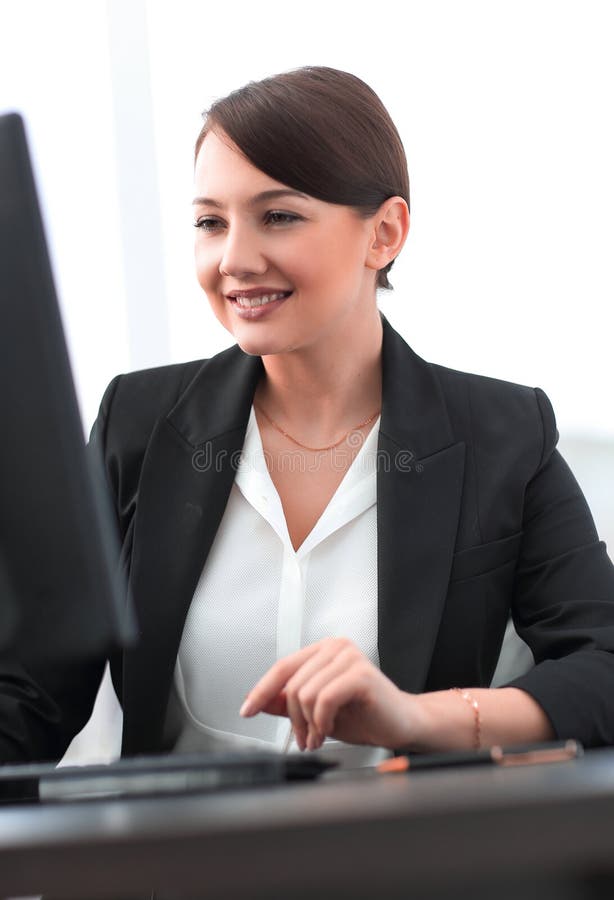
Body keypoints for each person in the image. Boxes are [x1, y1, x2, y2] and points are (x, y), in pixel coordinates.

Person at [1, 66, 614, 766]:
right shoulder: (136, 426)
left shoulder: (503, 435)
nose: (233, 259)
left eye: (279, 216)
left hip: (403, 865)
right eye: (210, 222)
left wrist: (415, 718)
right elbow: (28, 696)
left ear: (384, 234)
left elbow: (602, 664)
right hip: (177, 868)